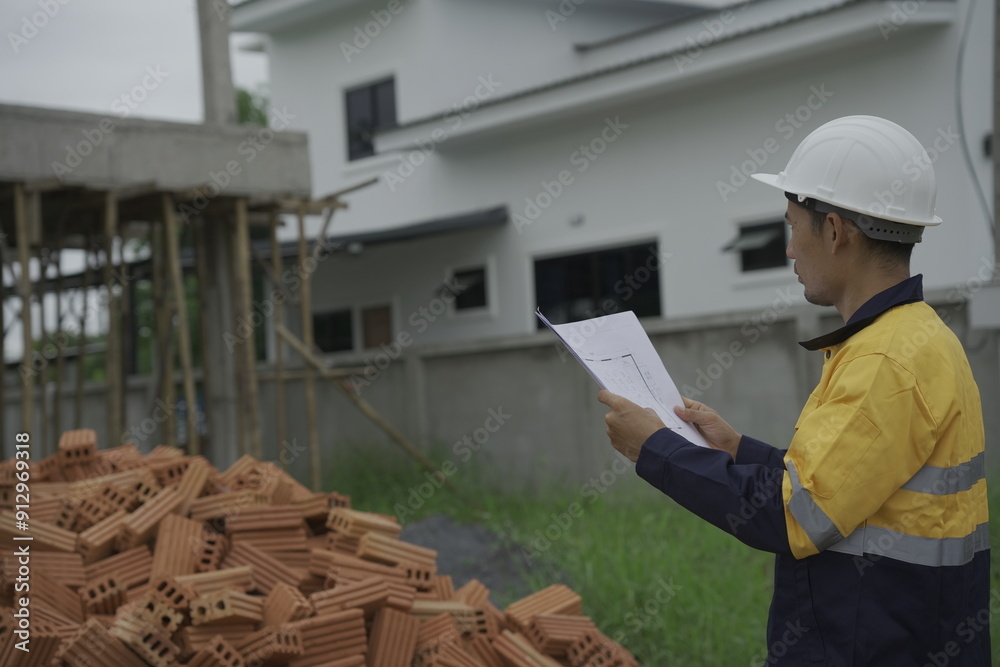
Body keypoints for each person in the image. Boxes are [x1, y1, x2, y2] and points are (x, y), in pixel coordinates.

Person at [598, 115, 990, 666]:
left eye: (792, 226)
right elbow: (846, 486)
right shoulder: (913, 338)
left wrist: (655, 449)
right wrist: (738, 450)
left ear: (833, 231)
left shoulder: (885, 361)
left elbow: (794, 517)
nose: (788, 249)